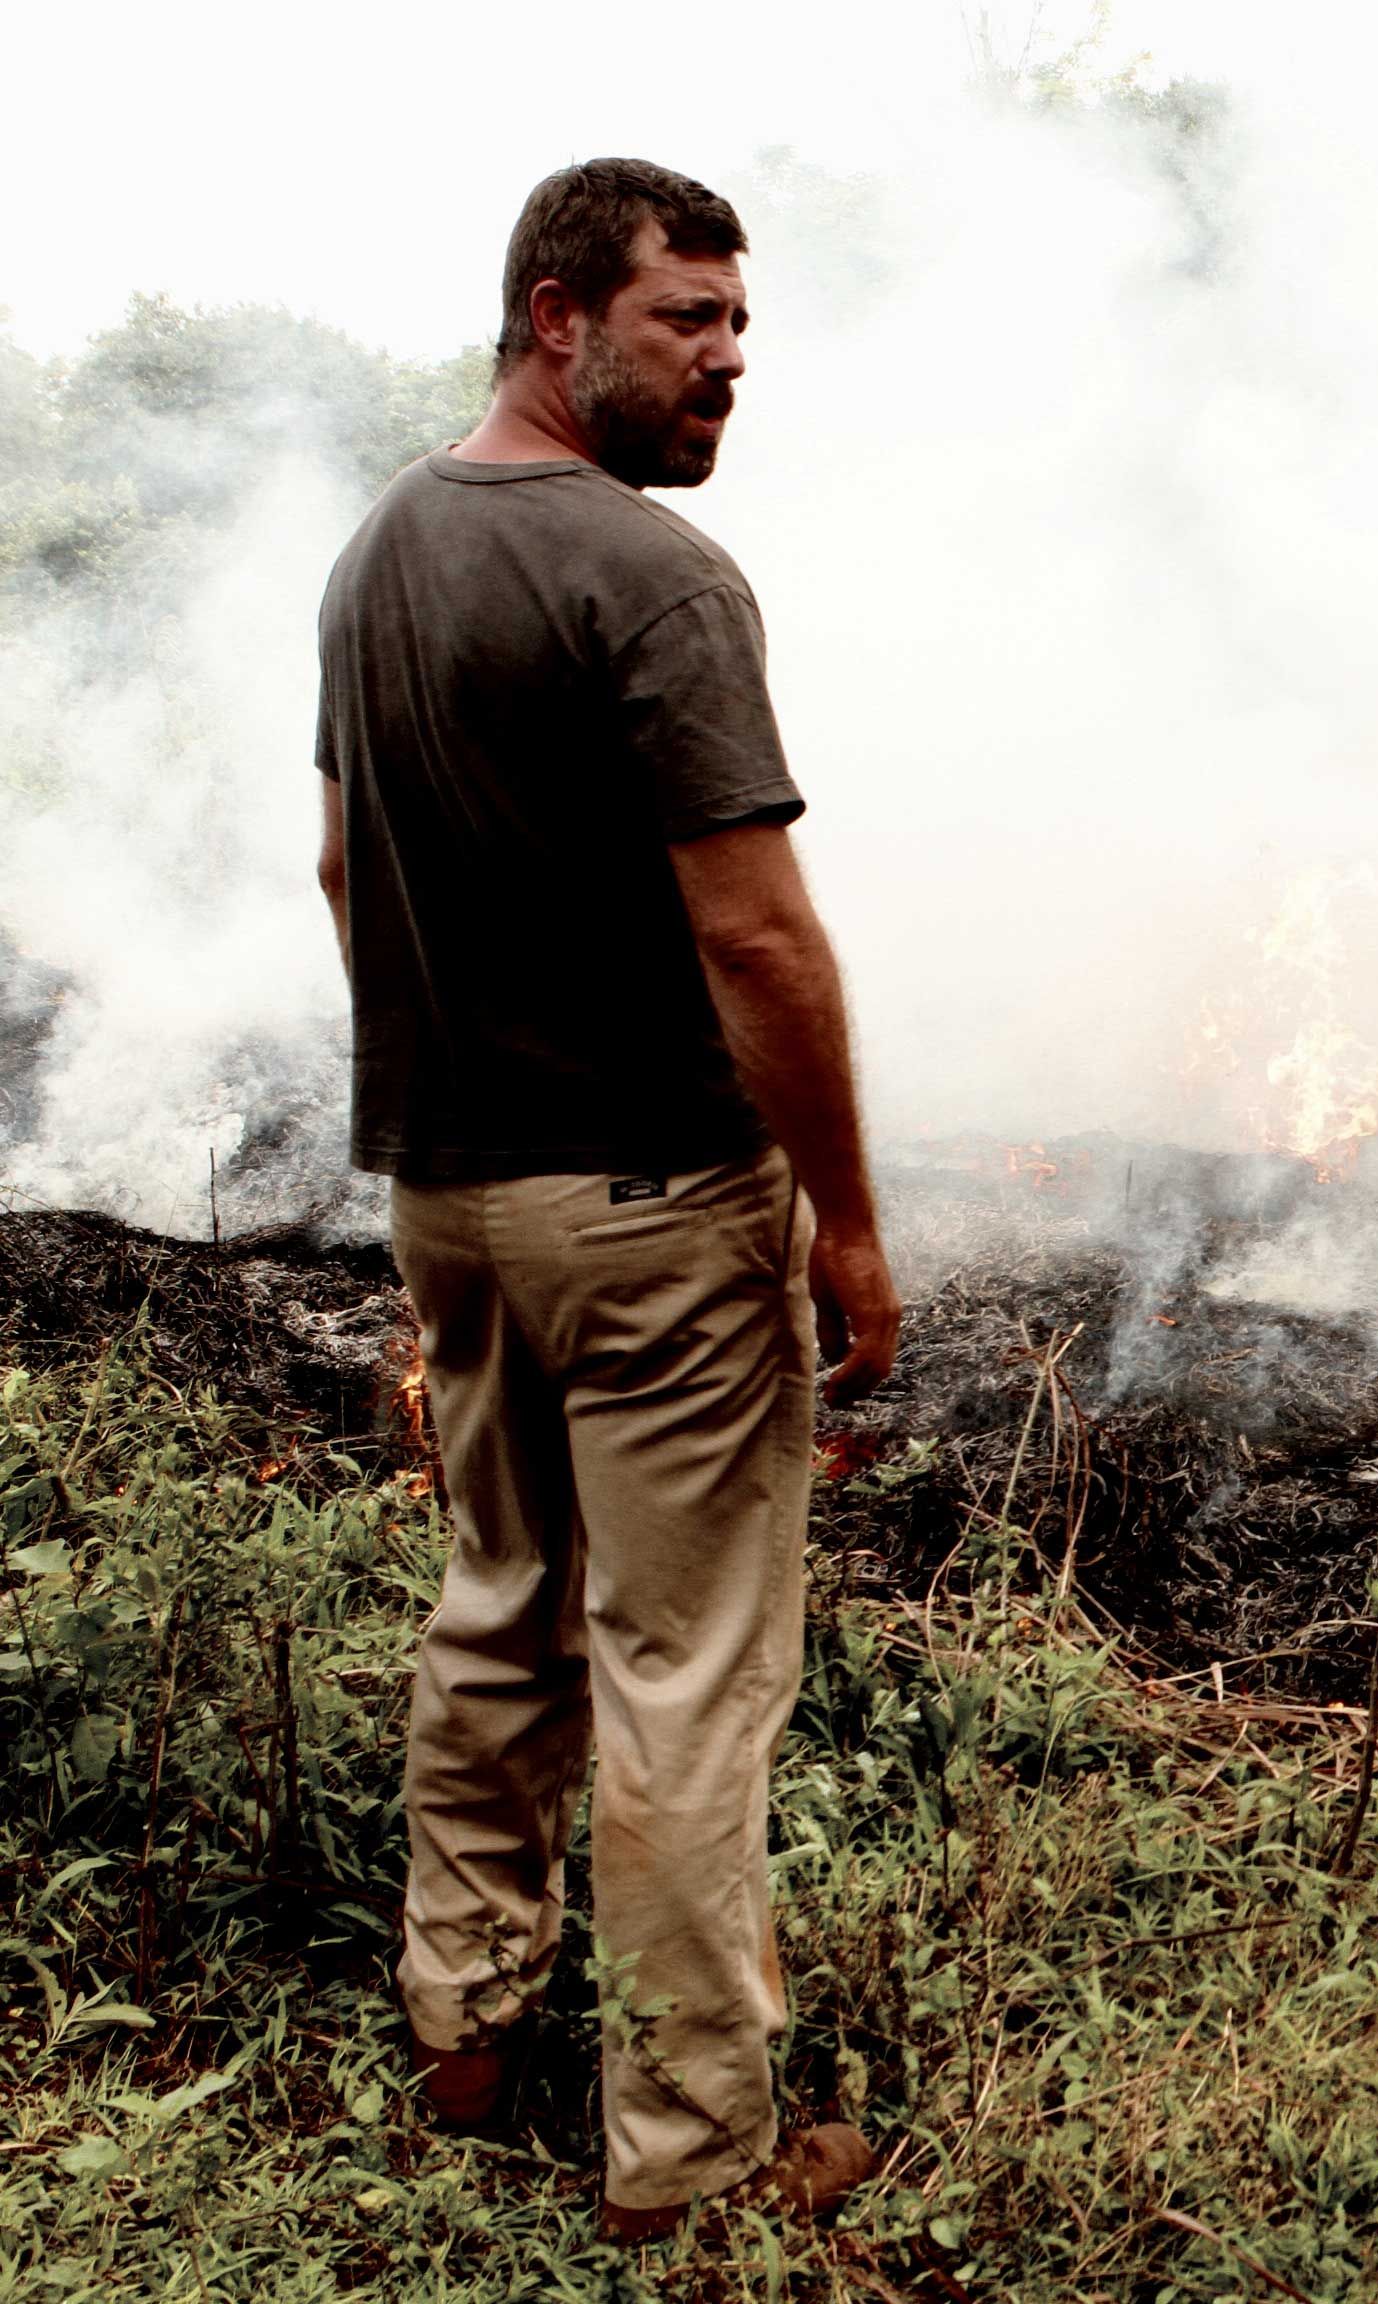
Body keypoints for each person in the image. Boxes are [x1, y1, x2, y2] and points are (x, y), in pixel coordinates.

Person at [310, 155, 900, 2244]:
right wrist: (841, 1216)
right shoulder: (649, 578)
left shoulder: (384, 545)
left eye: (741, 326)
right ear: (561, 316)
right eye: (688, 321)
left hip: (454, 1201)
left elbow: (333, 870)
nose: (729, 362)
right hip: (654, 1208)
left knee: (498, 1608)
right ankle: (693, 2162)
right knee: (683, 1673)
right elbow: (757, 940)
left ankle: (462, 2028)